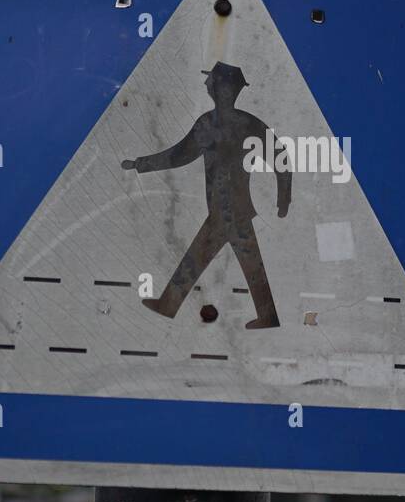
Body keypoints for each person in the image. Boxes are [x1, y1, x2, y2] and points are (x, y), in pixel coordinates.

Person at [122, 62, 290, 329]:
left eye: (210, 81)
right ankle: (266, 316)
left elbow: (179, 156)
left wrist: (141, 164)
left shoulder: (210, 124)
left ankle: (169, 304)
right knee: (242, 261)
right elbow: (281, 158)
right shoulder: (249, 123)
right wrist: (284, 198)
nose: (206, 85)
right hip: (233, 207)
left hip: (226, 209)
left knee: (203, 257)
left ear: (221, 88)